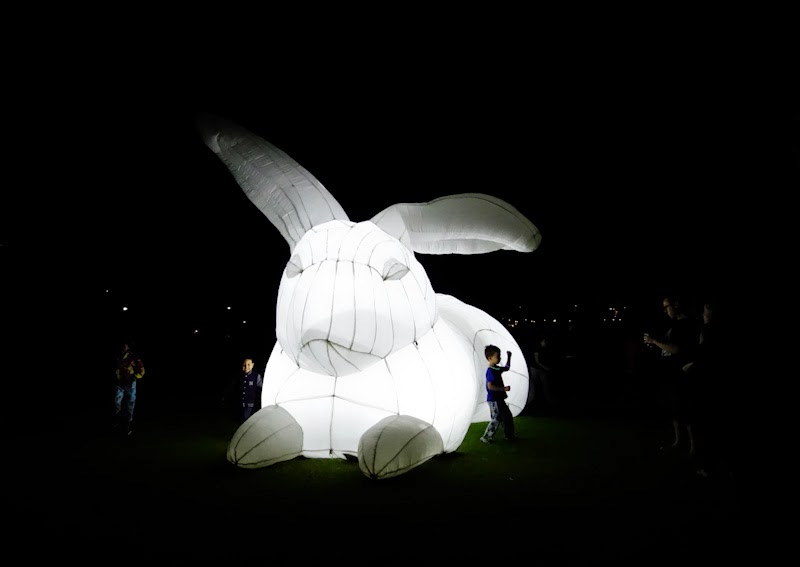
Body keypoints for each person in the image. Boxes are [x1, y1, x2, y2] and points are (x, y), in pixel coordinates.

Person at [644, 296, 701, 454]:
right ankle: (678, 441)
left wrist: (654, 342)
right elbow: (668, 347)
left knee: (685, 409)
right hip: (672, 373)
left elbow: (676, 349)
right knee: (675, 407)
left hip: (683, 373)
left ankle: (693, 445)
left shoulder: (688, 324)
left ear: (676, 305)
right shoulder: (674, 324)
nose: (665, 311)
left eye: (666, 306)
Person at [480, 345, 517, 443]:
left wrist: (509, 357)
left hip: (499, 399)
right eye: (498, 356)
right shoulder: (491, 371)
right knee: (496, 418)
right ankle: (486, 437)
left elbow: (507, 368)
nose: (500, 358)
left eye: (500, 356)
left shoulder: (496, 369)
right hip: (494, 400)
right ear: (490, 358)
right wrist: (503, 389)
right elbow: (490, 386)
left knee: (507, 416)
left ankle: (509, 436)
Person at [113, 340, 145, 437]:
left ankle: (128, 423)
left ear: (128, 346)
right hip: (120, 384)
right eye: (123, 344)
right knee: (117, 402)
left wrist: (135, 377)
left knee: (130, 404)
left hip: (130, 384)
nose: (123, 346)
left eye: (125, 345)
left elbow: (142, 370)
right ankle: (117, 420)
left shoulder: (133, 357)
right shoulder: (118, 356)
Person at [236, 357, 263, 423]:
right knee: (241, 419)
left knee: (246, 419)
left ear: (252, 365)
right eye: (244, 365)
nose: (246, 367)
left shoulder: (256, 376)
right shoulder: (240, 376)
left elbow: (261, 387)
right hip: (241, 403)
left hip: (251, 403)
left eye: (248, 364)